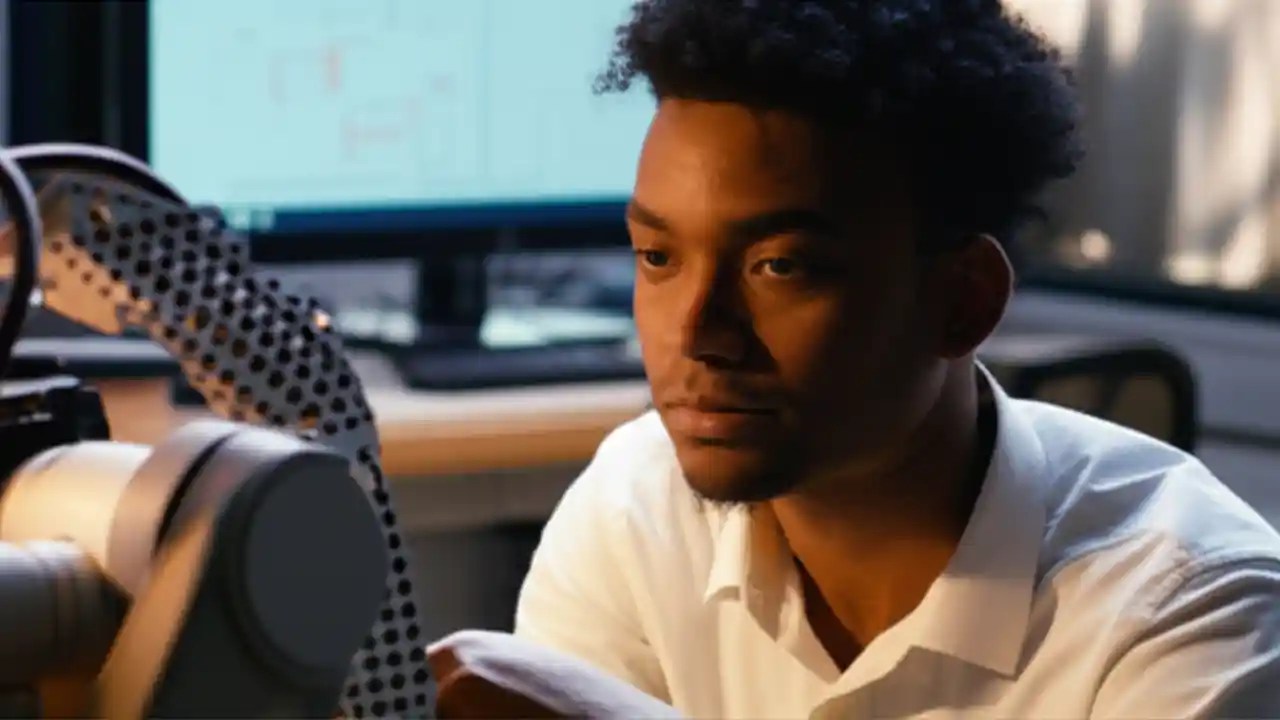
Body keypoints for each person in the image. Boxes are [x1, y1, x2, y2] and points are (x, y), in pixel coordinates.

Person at [428, 0, 1280, 717]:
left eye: (780, 266)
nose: (696, 333)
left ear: (963, 301)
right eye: (658, 257)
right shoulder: (636, 506)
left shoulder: (1194, 611)